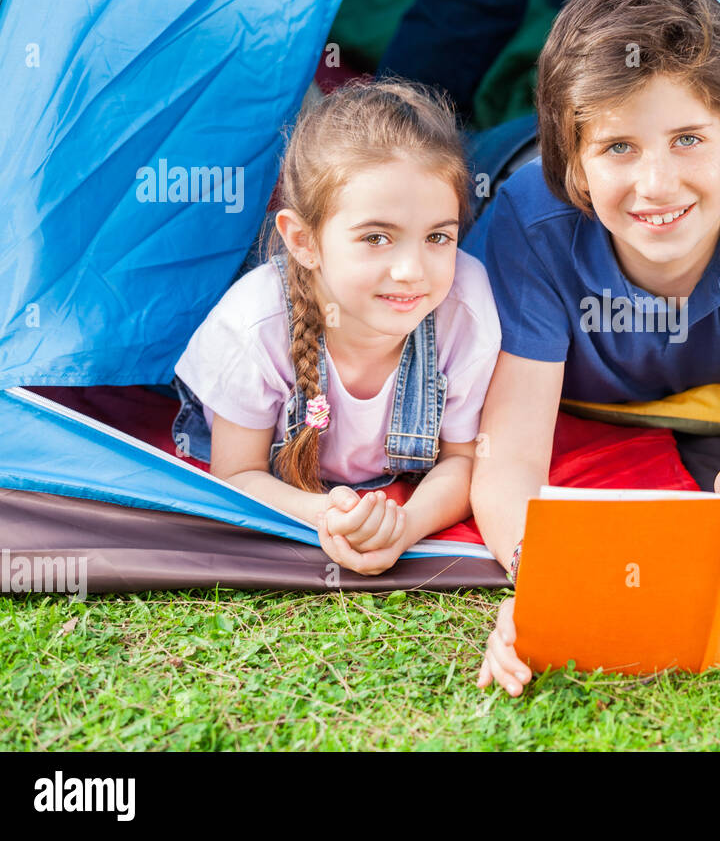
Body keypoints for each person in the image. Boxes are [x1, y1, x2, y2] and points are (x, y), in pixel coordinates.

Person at [472, 0, 720, 696]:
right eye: (619, 148)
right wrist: (545, 577)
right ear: (578, 164)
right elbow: (508, 452)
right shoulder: (530, 222)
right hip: (494, 162)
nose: (657, 184)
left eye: (687, 139)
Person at [171, 79, 501, 576]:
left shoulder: (465, 308)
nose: (412, 270)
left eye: (437, 236)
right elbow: (238, 473)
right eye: (376, 237)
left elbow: (461, 461)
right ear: (303, 241)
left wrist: (403, 525)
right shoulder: (253, 325)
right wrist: (328, 515)